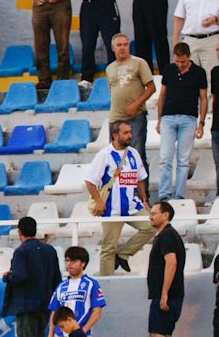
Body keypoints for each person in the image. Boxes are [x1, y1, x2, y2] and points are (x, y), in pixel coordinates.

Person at [137, 200, 198, 337]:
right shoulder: (165, 236)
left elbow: (171, 263)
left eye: (154, 213)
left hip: (167, 296)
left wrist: (164, 293)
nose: (151, 216)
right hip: (169, 295)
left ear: (166, 215)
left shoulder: (167, 237)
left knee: (155, 335)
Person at [87, 118, 153, 275]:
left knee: (151, 226)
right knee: (108, 248)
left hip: (132, 206)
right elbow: (90, 181)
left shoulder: (134, 153)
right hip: (112, 209)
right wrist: (98, 201)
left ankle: (123, 254)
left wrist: (144, 200)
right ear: (115, 135)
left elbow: (140, 178)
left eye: (130, 132)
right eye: (126, 133)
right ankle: (106, 284)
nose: (130, 135)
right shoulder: (104, 155)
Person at [3, 216, 60, 337]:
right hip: (45, 304)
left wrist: (8, 277)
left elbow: (20, 277)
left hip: (27, 304)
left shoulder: (21, 252)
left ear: (19, 232)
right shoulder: (49, 250)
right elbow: (56, 278)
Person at [155, 42, 209, 202]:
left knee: (183, 160)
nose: (180, 65)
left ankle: (178, 195)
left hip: (189, 118)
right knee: (165, 158)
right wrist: (159, 119)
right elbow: (162, 95)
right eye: (177, 61)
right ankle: (164, 195)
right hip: (168, 117)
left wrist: (201, 123)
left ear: (189, 57)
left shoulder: (199, 72)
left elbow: (204, 98)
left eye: (183, 62)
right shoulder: (169, 70)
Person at [102, 33, 156, 161]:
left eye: (125, 45)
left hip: (135, 117)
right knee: (116, 157)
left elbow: (152, 88)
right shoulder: (109, 68)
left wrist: (136, 104)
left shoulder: (139, 63)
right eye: (119, 45)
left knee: (137, 156)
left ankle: (141, 181)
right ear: (113, 48)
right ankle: (120, 182)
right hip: (115, 118)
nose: (122, 48)